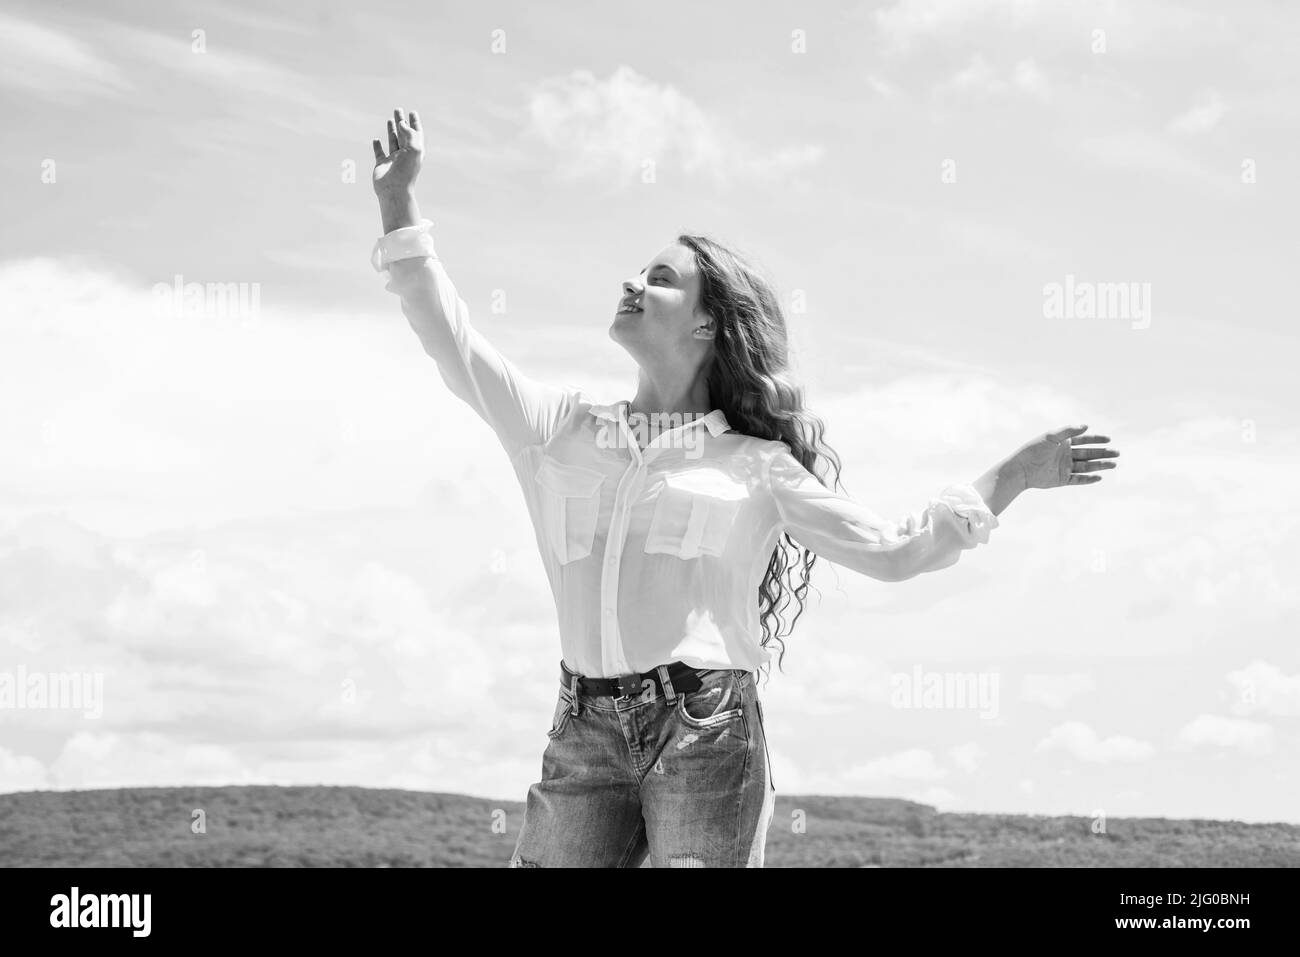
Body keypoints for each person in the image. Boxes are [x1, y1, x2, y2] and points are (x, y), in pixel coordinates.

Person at [368, 107, 1120, 867]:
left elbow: (895, 551)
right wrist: (400, 202)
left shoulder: (756, 466)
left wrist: (1013, 478)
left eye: (659, 279)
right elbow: (450, 336)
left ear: (706, 327)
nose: (631, 282)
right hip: (583, 733)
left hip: (707, 730)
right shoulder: (557, 429)